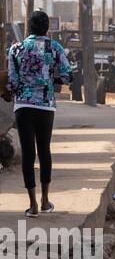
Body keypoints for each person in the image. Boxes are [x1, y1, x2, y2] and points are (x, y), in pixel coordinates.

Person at [5, 11, 72, 218]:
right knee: (44, 151)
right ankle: (45, 200)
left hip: (23, 106)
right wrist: (52, 79)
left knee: (28, 153)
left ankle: (32, 204)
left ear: (29, 27)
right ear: (47, 28)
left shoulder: (16, 49)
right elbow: (67, 76)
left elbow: (13, 83)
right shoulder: (55, 48)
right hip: (45, 106)